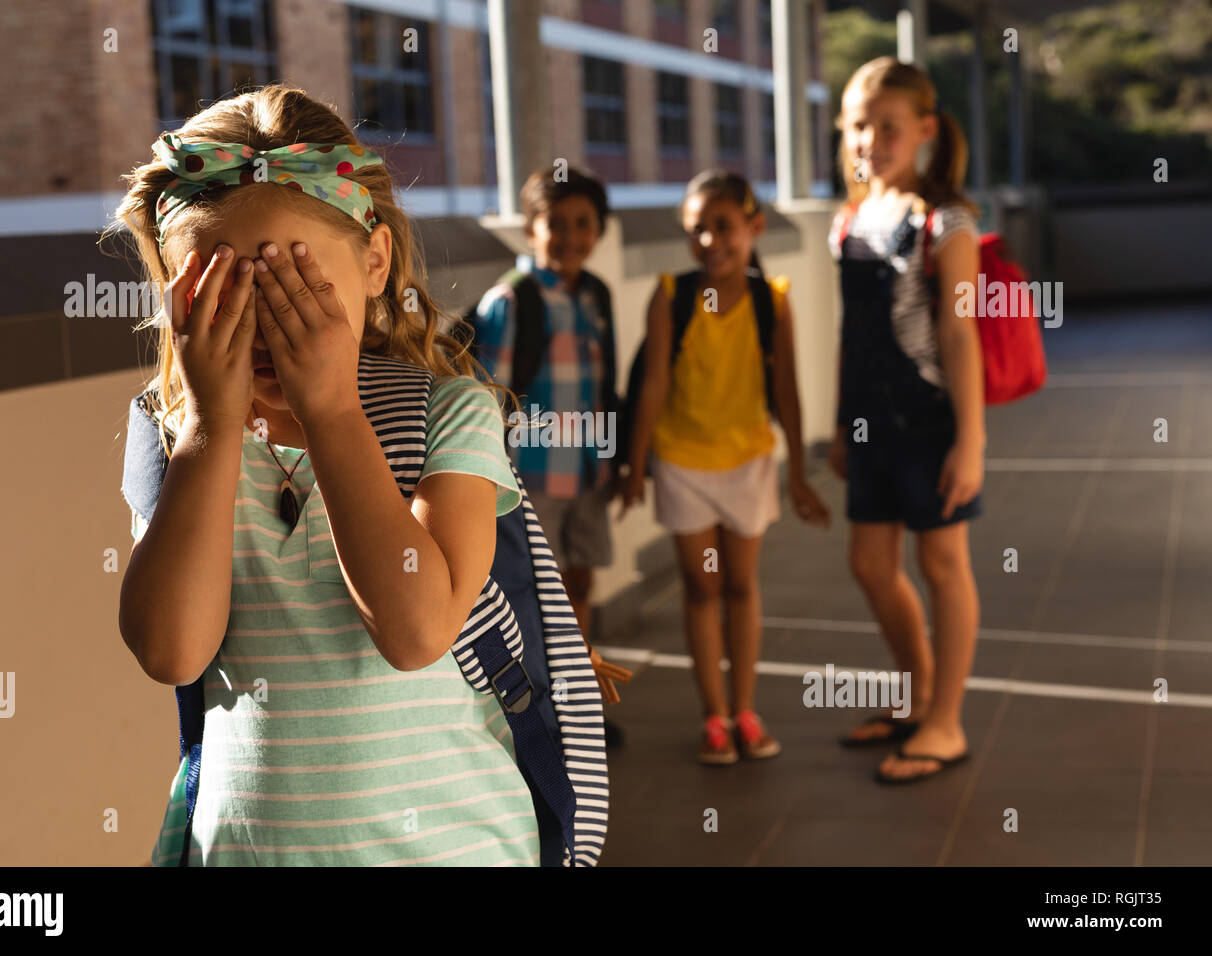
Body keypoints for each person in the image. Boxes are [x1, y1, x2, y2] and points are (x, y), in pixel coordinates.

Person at [116, 85, 540, 864]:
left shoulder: (448, 416)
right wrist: (209, 427)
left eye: (291, 289)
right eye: (226, 297)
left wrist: (335, 415)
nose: (265, 327)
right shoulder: (172, 434)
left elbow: (415, 633)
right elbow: (171, 651)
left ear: (374, 262)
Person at [621, 169, 830, 765]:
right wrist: (635, 465)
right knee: (700, 586)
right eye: (697, 231)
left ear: (754, 228)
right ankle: (713, 715)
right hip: (683, 461)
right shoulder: (671, 295)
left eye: (724, 228)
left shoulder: (773, 301)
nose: (711, 241)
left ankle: (745, 710)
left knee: (740, 585)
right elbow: (654, 384)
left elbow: (785, 391)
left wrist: (796, 475)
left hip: (748, 462)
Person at [829, 57, 985, 784]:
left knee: (942, 563)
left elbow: (960, 337)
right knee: (868, 565)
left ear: (924, 130)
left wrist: (971, 443)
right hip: (867, 421)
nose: (871, 138)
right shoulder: (852, 218)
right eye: (860, 124)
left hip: (928, 419)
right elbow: (850, 332)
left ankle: (945, 723)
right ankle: (917, 692)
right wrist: (840, 421)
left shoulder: (945, 221)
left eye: (888, 126)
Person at [471, 167, 631, 747]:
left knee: (581, 586)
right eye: (554, 224)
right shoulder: (512, 300)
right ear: (530, 229)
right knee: (539, 599)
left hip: (587, 474)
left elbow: (603, 384)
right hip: (531, 479)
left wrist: (618, 461)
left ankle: (579, 702)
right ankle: (544, 716)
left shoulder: (596, 296)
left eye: (583, 224)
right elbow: (491, 397)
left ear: (600, 230)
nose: (569, 235)